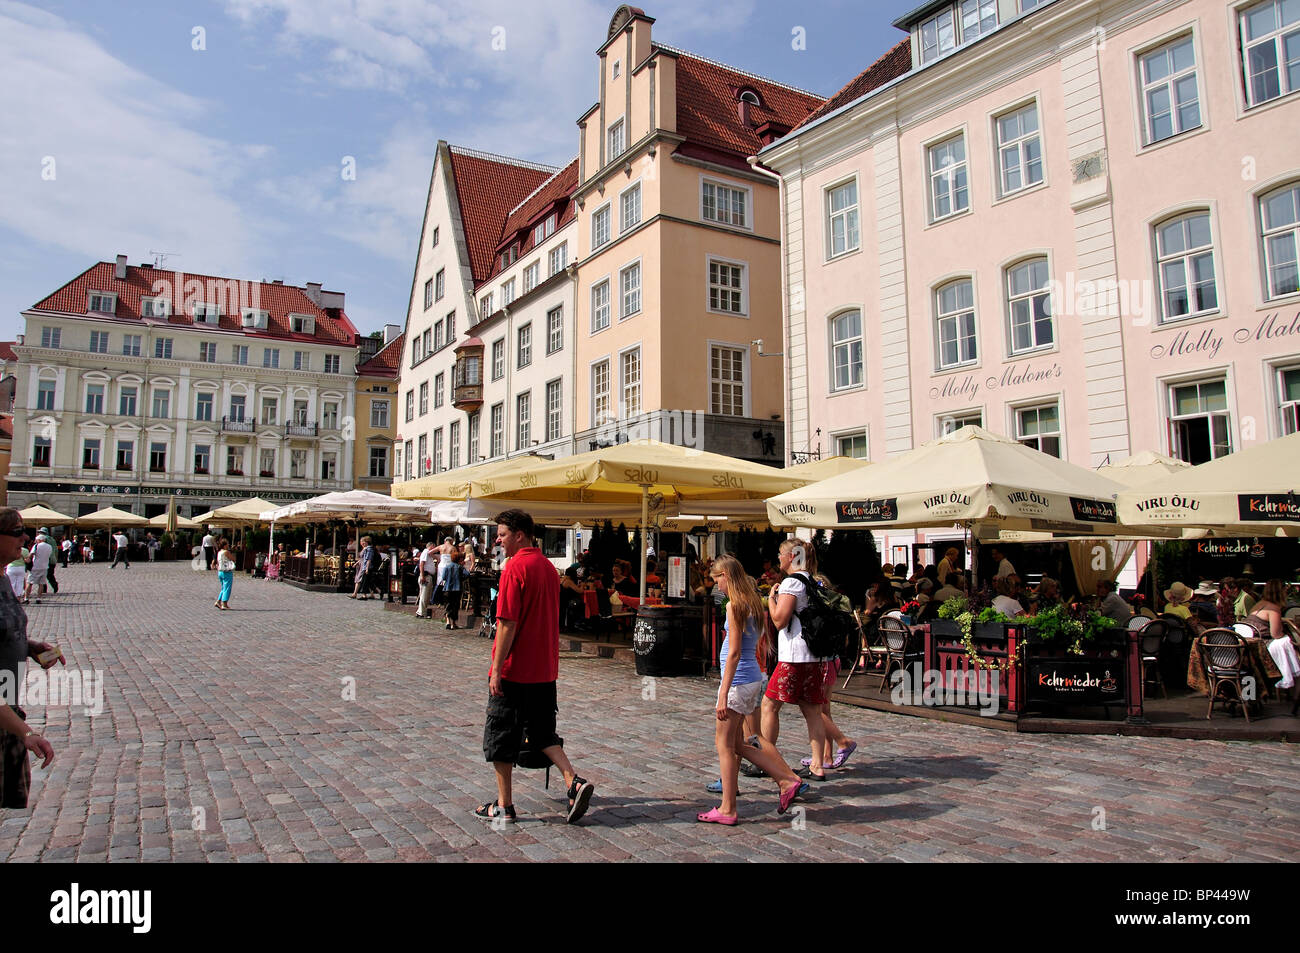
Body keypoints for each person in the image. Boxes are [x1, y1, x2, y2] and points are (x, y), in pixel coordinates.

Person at [478, 509, 594, 825]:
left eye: (501, 534)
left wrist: (497, 667)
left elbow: (507, 623)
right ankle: (573, 781)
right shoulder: (547, 567)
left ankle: (504, 805)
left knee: (501, 735)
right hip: (545, 668)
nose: (498, 540)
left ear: (519, 534)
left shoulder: (515, 567)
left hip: (516, 669)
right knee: (543, 734)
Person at [698, 555, 806, 825]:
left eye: (717, 579)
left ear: (727, 576)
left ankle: (728, 808)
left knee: (724, 744)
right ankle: (785, 780)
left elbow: (734, 652)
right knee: (739, 743)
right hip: (751, 679)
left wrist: (722, 692)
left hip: (738, 681)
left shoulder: (735, 606)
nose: (717, 586)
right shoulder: (754, 604)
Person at [0, 508, 59, 806]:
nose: (24, 537)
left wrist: (28, 646)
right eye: (16, 531)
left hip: (7, 715)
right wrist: (27, 733)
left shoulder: (3, 580)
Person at [761, 538, 832, 782]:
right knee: (812, 709)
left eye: (781, 553)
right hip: (814, 655)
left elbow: (780, 620)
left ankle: (766, 759)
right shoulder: (814, 580)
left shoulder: (792, 583)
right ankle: (818, 765)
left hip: (794, 656)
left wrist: (772, 598)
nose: (778, 557)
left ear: (792, 556)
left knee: (769, 705)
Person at [1242, 578, 1300, 695]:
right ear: (1281, 592)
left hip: (1249, 642)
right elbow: (1276, 634)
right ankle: (1294, 692)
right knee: (1289, 643)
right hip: (1260, 645)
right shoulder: (1273, 608)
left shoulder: (1260, 604)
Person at [415, 540, 439, 619]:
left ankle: (421, 611)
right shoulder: (425, 552)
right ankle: (421, 612)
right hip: (426, 576)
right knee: (424, 595)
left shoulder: (428, 554)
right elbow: (421, 564)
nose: (435, 549)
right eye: (434, 547)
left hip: (428, 576)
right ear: (431, 546)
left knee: (425, 595)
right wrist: (422, 575)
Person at [443, 550, 465, 630]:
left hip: (447, 588)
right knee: (455, 606)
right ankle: (453, 623)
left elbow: (443, 577)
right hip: (457, 588)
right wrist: (461, 578)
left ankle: (448, 621)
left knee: (448, 605)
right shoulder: (459, 567)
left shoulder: (447, 566)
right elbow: (467, 574)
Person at [213, 538, 235, 610]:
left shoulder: (219, 552)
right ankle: (224, 603)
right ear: (225, 545)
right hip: (227, 572)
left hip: (220, 571)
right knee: (227, 588)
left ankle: (218, 601)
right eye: (227, 544)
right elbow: (233, 559)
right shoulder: (226, 552)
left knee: (223, 588)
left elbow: (218, 562)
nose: (228, 545)